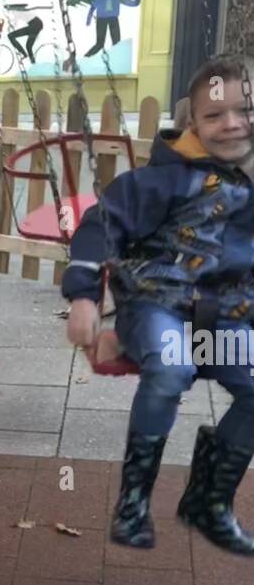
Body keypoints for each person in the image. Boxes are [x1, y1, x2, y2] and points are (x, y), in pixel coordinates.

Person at [64, 55, 254, 554]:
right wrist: (84, 298)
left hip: (221, 318)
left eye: (244, 110)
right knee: (171, 367)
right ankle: (133, 503)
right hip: (157, 307)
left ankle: (209, 503)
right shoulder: (161, 180)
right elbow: (96, 229)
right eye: (215, 115)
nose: (232, 123)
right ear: (193, 122)